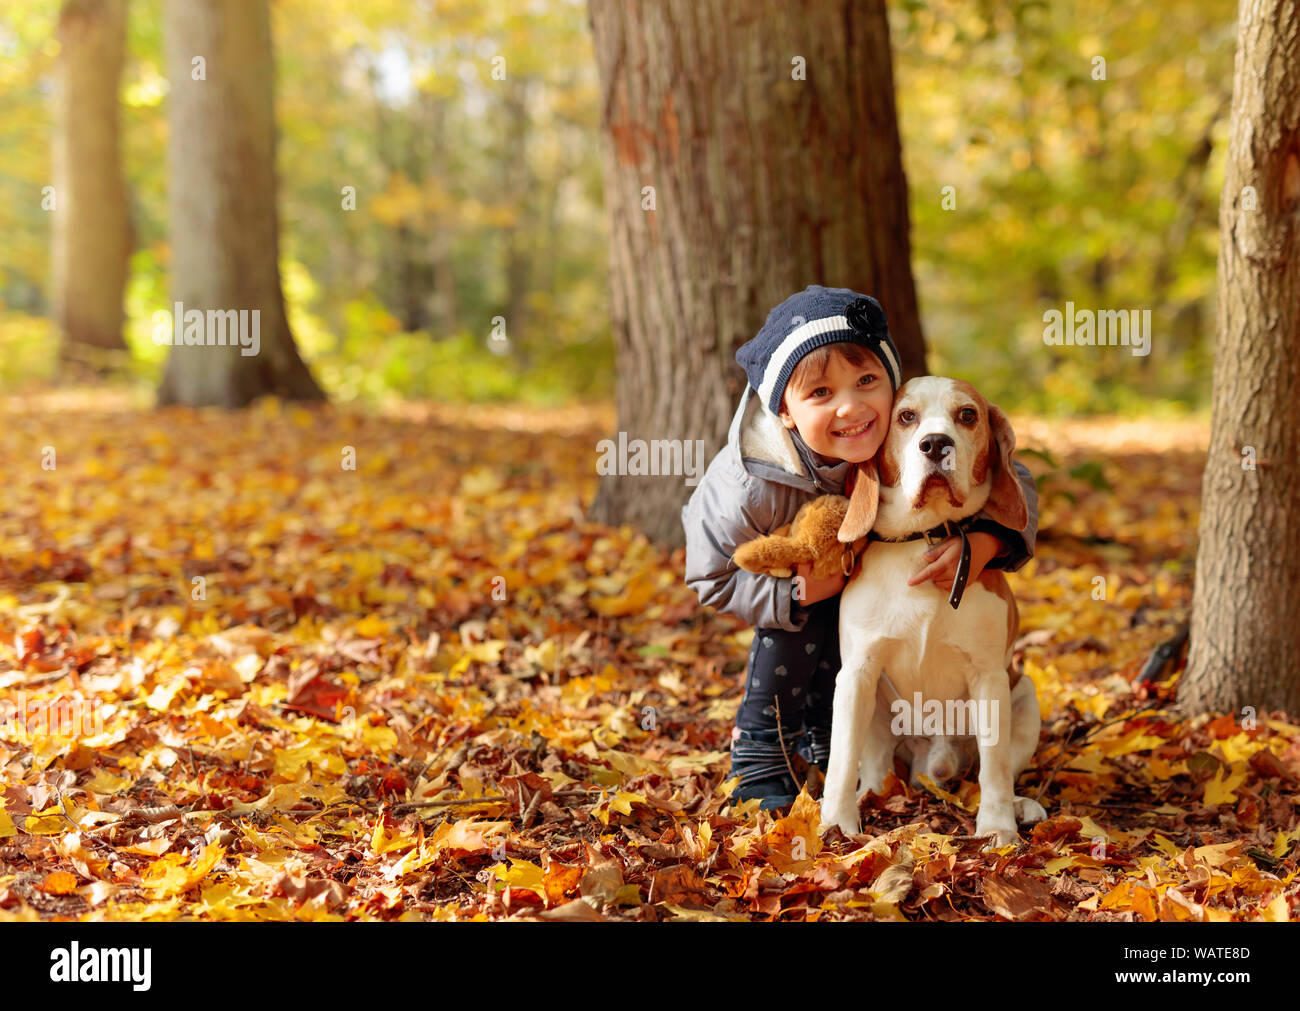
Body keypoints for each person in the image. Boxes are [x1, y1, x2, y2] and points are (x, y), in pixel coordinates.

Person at [681, 285, 1039, 809]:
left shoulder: (887, 434)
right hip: (787, 591)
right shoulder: (751, 480)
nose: (850, 407)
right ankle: (760, 746)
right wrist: (796, 593)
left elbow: (1012, 474)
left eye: (867, 382)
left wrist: (988, 540)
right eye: (821, 393)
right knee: (807, 623)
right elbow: (709, 575)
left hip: (874, 594)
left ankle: (828, 742)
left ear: (891, 390)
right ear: (784, 410)